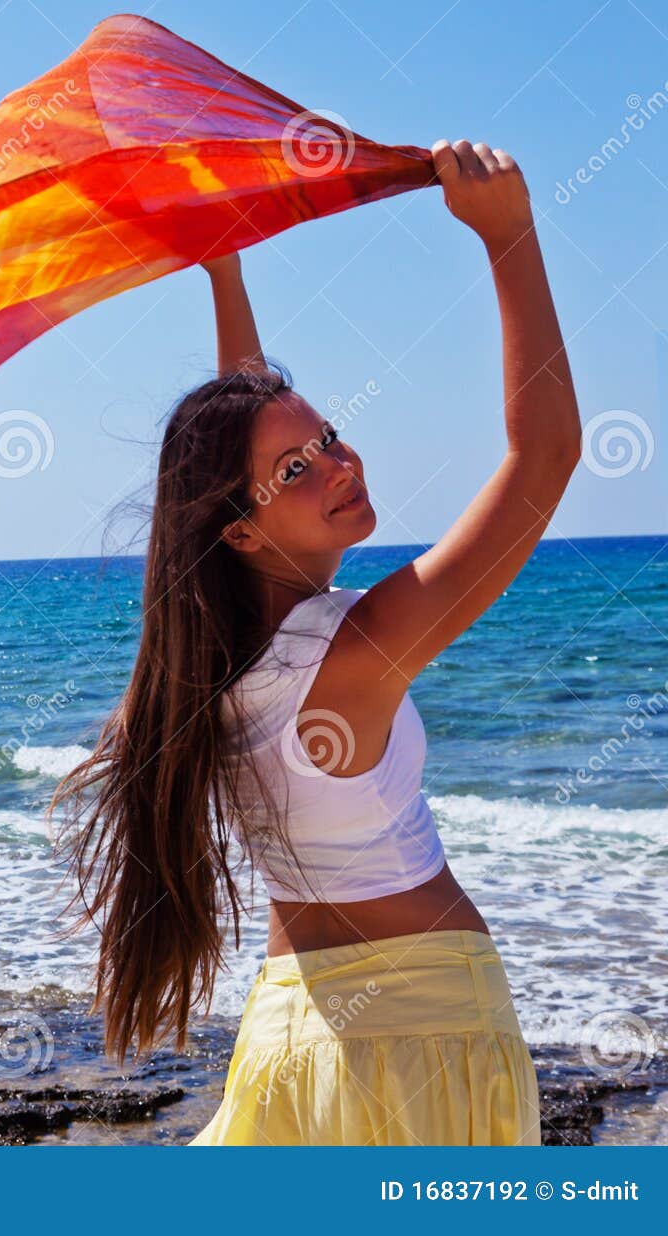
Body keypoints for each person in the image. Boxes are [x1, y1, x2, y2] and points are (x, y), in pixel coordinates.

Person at [48, 139, 581, 1145]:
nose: (338, 464)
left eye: (328, 439)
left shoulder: (200, 671)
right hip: (423, 1045)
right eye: (299, 471)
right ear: (242, 534)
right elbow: (544, 458)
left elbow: (236, 451)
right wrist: (509, 238)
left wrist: (226, 270)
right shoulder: (353, 650)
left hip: (289, 1035)